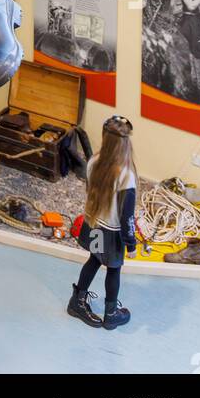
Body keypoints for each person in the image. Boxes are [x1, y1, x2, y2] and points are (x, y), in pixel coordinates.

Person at [68, 115, 137, 330]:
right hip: (112, 233)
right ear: (124, 143)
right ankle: (111, 313)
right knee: (114, 269)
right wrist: (131, 243)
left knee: (95, 260)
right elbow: (127, 218)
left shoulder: (93, 162)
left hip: (94, 224)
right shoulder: (126, 176)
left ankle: (77, 302)